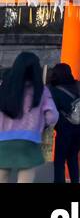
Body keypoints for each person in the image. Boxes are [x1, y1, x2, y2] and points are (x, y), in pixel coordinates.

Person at [0, 52, 58, 183]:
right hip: (29, 140)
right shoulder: (41, 91)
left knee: (2, 175)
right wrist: (42, 124)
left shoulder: (3, 88)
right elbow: (52, 116)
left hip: (2, 140)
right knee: (26, 176)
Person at [46, 62, 80, 184]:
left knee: (60, 160)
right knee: (72, 157)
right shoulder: (79, 85)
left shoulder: (53, 89)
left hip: (64, 127)